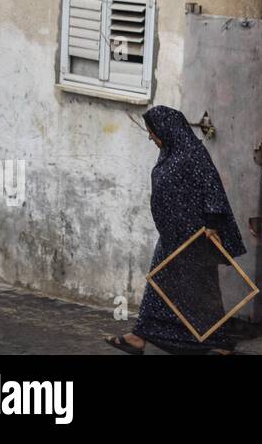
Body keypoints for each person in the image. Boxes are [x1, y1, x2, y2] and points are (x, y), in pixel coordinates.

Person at [106, 106, 247, 355]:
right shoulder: (170, 152)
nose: (151, 137)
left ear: (167, 129)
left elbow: (212, 187)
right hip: (172, 237)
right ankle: (140, 336)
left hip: (194, 238)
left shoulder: (194, 153)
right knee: (160, 284)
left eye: (153, 132)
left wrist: (213, 225)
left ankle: (218, 343)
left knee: (201, 289)